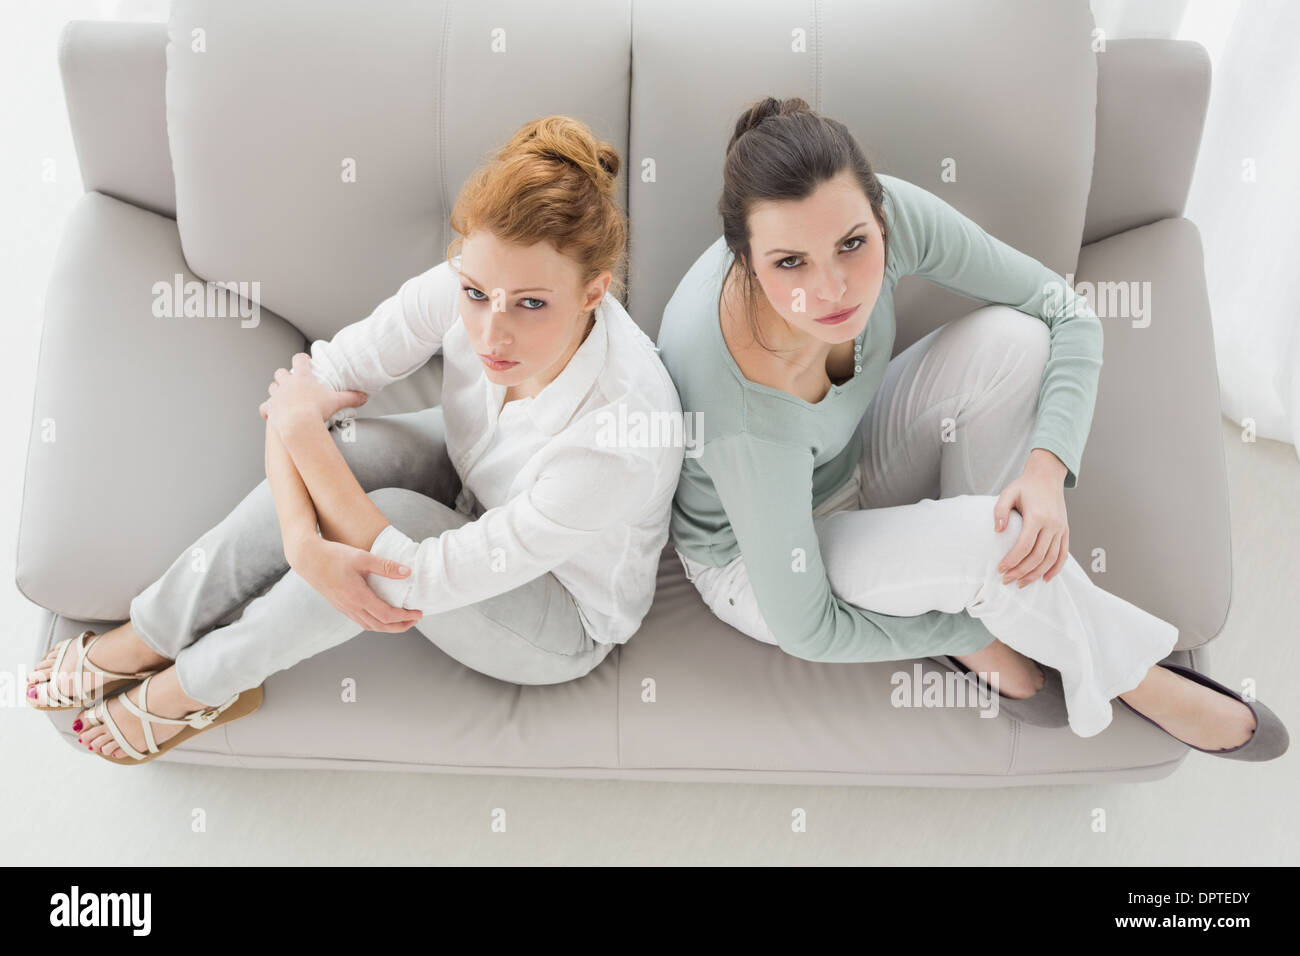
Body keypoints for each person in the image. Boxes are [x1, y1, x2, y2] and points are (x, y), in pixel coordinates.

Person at [28, 115, 685, 763]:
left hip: (561, 609)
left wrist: (303, 441)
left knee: (377, 512)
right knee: (341, 448)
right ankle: (151, 633)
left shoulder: (616, 441)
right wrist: (302, 542)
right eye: (477, 294)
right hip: (477, 482)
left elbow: (417, 578)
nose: (491, 334)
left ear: (594, 291)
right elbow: (312, 387)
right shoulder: (472, 281)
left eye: (532, 305)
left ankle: (199, 686)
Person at [655, 96, 1287, 759]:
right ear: (746, 262)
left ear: (876, 215)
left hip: (852, 455)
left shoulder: (887, 219)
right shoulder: (738, 405)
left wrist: (1046, 472)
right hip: (759, 561)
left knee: (1016, 340)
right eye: (790, 264)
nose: (834, 288)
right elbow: (806, 628)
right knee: (992, 548)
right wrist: (960, 632)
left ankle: (1000, 582)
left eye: (853, 244)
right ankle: (1139, 679)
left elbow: (1066, 313)